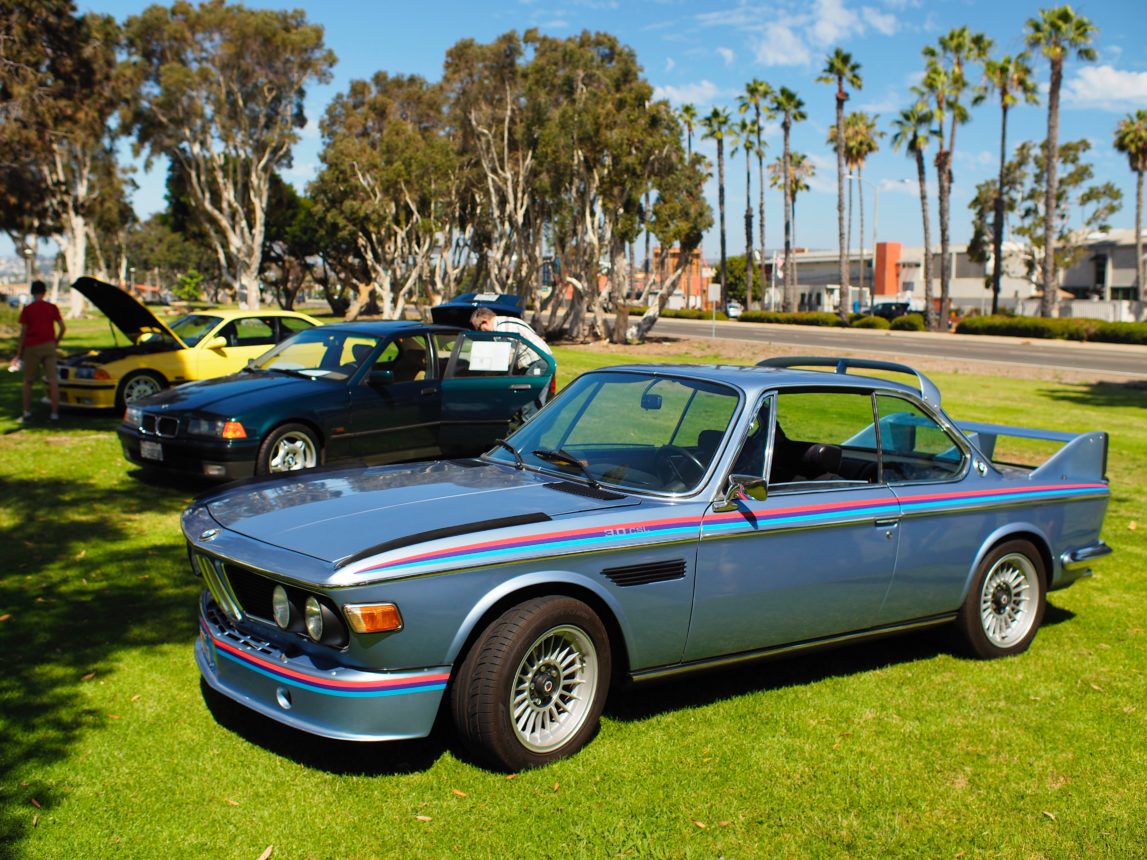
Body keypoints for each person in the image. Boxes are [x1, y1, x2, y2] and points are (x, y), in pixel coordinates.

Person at [470, 306, 554, 418]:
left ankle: (528, 432)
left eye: (479, 328)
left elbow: (505, 360)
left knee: (528, 403)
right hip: (543, 359)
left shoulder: (502, 329)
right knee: (537, 402)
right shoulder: (508, 321)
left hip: (539, 362)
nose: (482, 332)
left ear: (485, 322)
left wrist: (486, 375)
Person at [10, 280, 66, 422]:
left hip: (32, 347)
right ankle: (54, 414)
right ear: (44, 292)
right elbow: (62, 327)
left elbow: (23, 333)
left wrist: (18, 353)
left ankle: (27, 412)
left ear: (32, 292)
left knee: (28, 381)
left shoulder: (28, 309)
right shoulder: (52, 307)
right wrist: (56, 342)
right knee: (53, 380)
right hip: (49, 346)